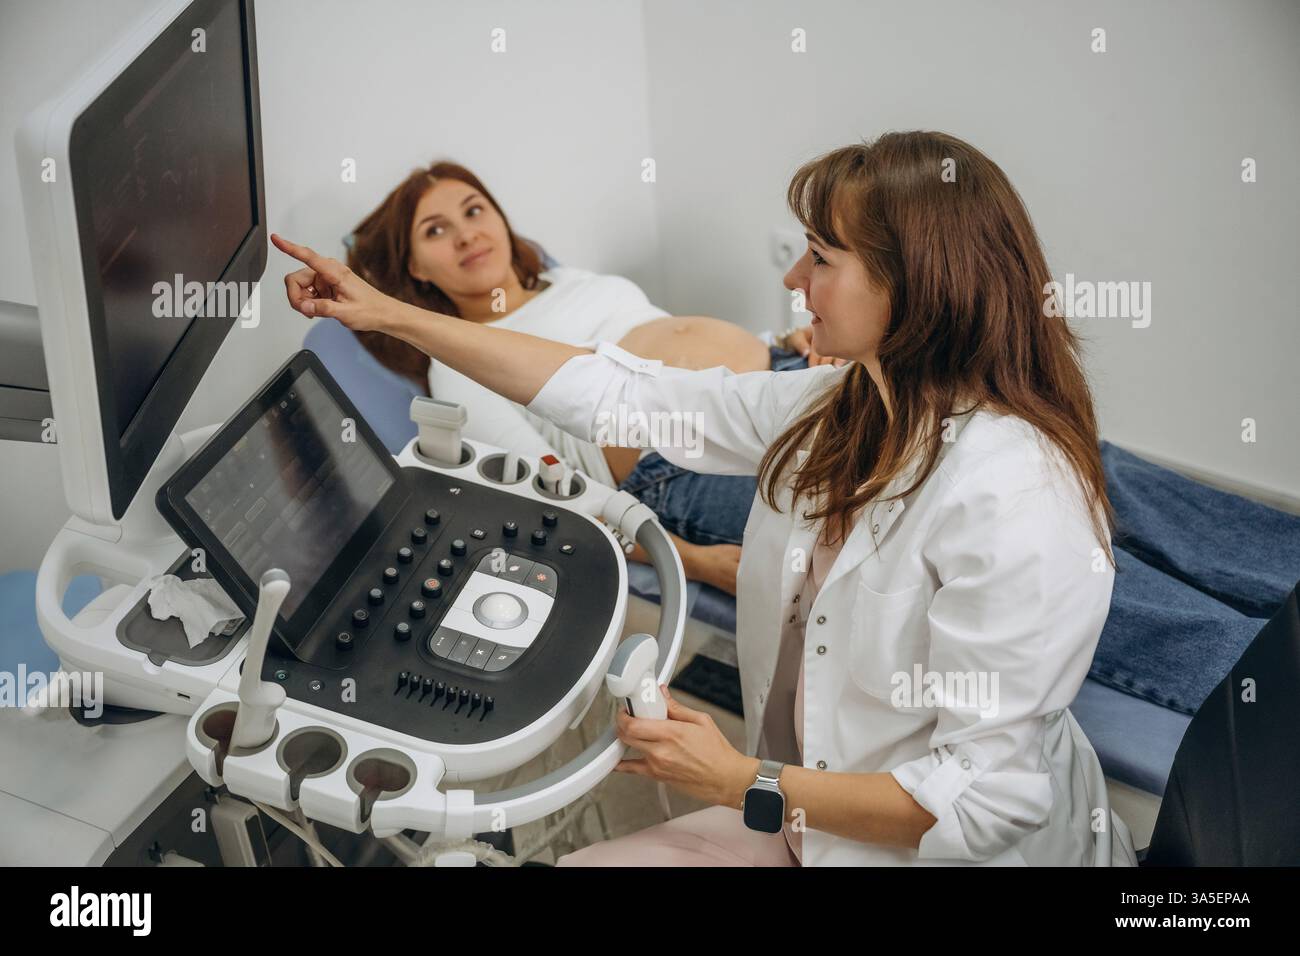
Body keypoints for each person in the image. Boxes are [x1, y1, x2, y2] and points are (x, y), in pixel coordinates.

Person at [271, 129, 1137, 866]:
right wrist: (390, 317)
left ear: (913, 285)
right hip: (806, 814)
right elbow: (628, 395)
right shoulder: (845, 402)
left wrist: (732, 778)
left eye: (823, 257)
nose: (795, 275)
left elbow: (976, 808)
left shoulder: (1015, 497)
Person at [342, 160, 833, 594]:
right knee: (863, 515)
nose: (466, 235)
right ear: (415, 268)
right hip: (678, 465)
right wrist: (693, 563)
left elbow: (661, 342)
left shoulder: (570, 281)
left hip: (770, 383)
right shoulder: (458, 359)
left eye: (473, 211)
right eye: (435, 231)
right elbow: (548, 491)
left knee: (906, 456)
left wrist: (784, 339)